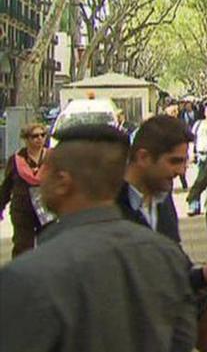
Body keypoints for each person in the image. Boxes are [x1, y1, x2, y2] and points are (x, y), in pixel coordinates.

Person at [0, 125, 196, 352]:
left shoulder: (27, 276)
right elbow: (183, 340)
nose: (40, 179)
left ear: (62, 182)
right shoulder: (166, 255)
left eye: (46, 172)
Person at [119, 115, 207, 292]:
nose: (182, 171)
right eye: (174, 161)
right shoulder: (109, 208)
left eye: (184, 161)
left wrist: (206, 275)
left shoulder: (162, 198)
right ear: (143, 157)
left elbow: (175, 265)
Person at [0, 122, 49, 257]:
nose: (40, 138)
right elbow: (6, 187)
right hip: (22, 210)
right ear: (26, 139)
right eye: (35, 136)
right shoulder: (16, 160)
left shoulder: (52, 158)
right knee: (23, 248)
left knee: (48, 247)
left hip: (46, 210)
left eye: (42, 135)